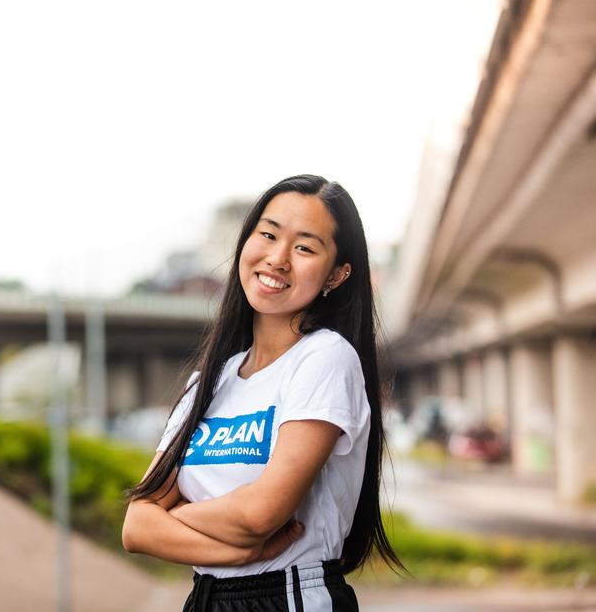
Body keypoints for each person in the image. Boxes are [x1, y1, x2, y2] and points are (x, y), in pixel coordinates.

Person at [121, 175, 407, 611]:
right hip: (205, 599)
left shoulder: (325, 358)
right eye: (269, 235)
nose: (277, 258)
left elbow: (260, 515)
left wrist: (173, 517)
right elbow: (136, 527)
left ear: (336, 274)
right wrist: (237, 554)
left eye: (304, 247)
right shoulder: (209, 382)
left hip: (289, 597)